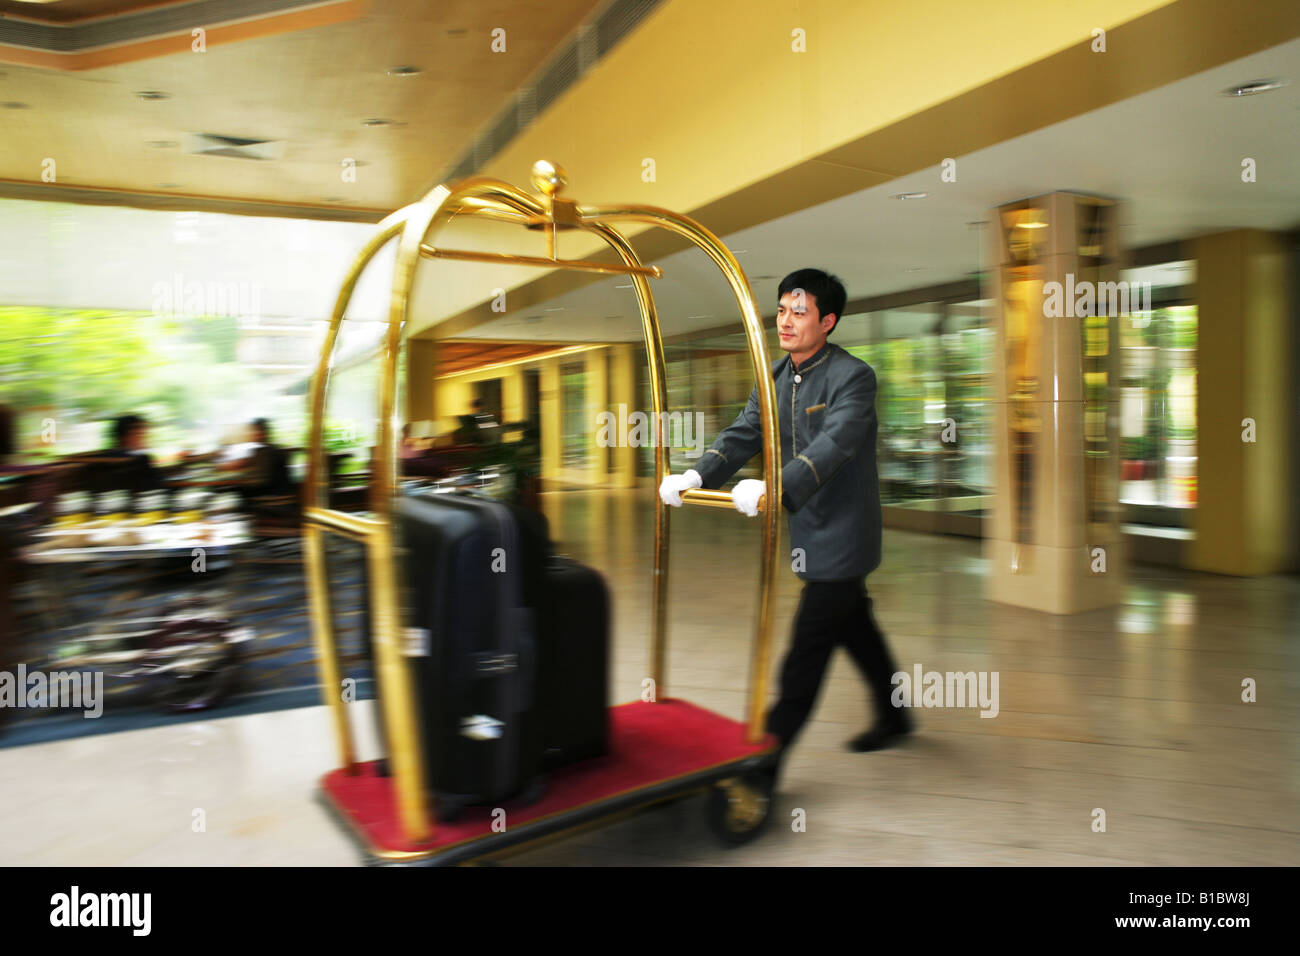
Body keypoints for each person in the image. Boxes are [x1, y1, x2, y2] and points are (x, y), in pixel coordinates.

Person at [659, 268, 911, 784]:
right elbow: (742, 434)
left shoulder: (853, 377)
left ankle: (764, 763)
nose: (786, 321)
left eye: (800, 312)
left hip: (845, 533)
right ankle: (896, 711)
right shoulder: (773, 376)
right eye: (781, 310)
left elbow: (836, 442)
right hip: (808, 529)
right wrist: (694, 473)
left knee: (809, 644)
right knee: (854, 625)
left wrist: (779, 488)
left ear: (828, 321)